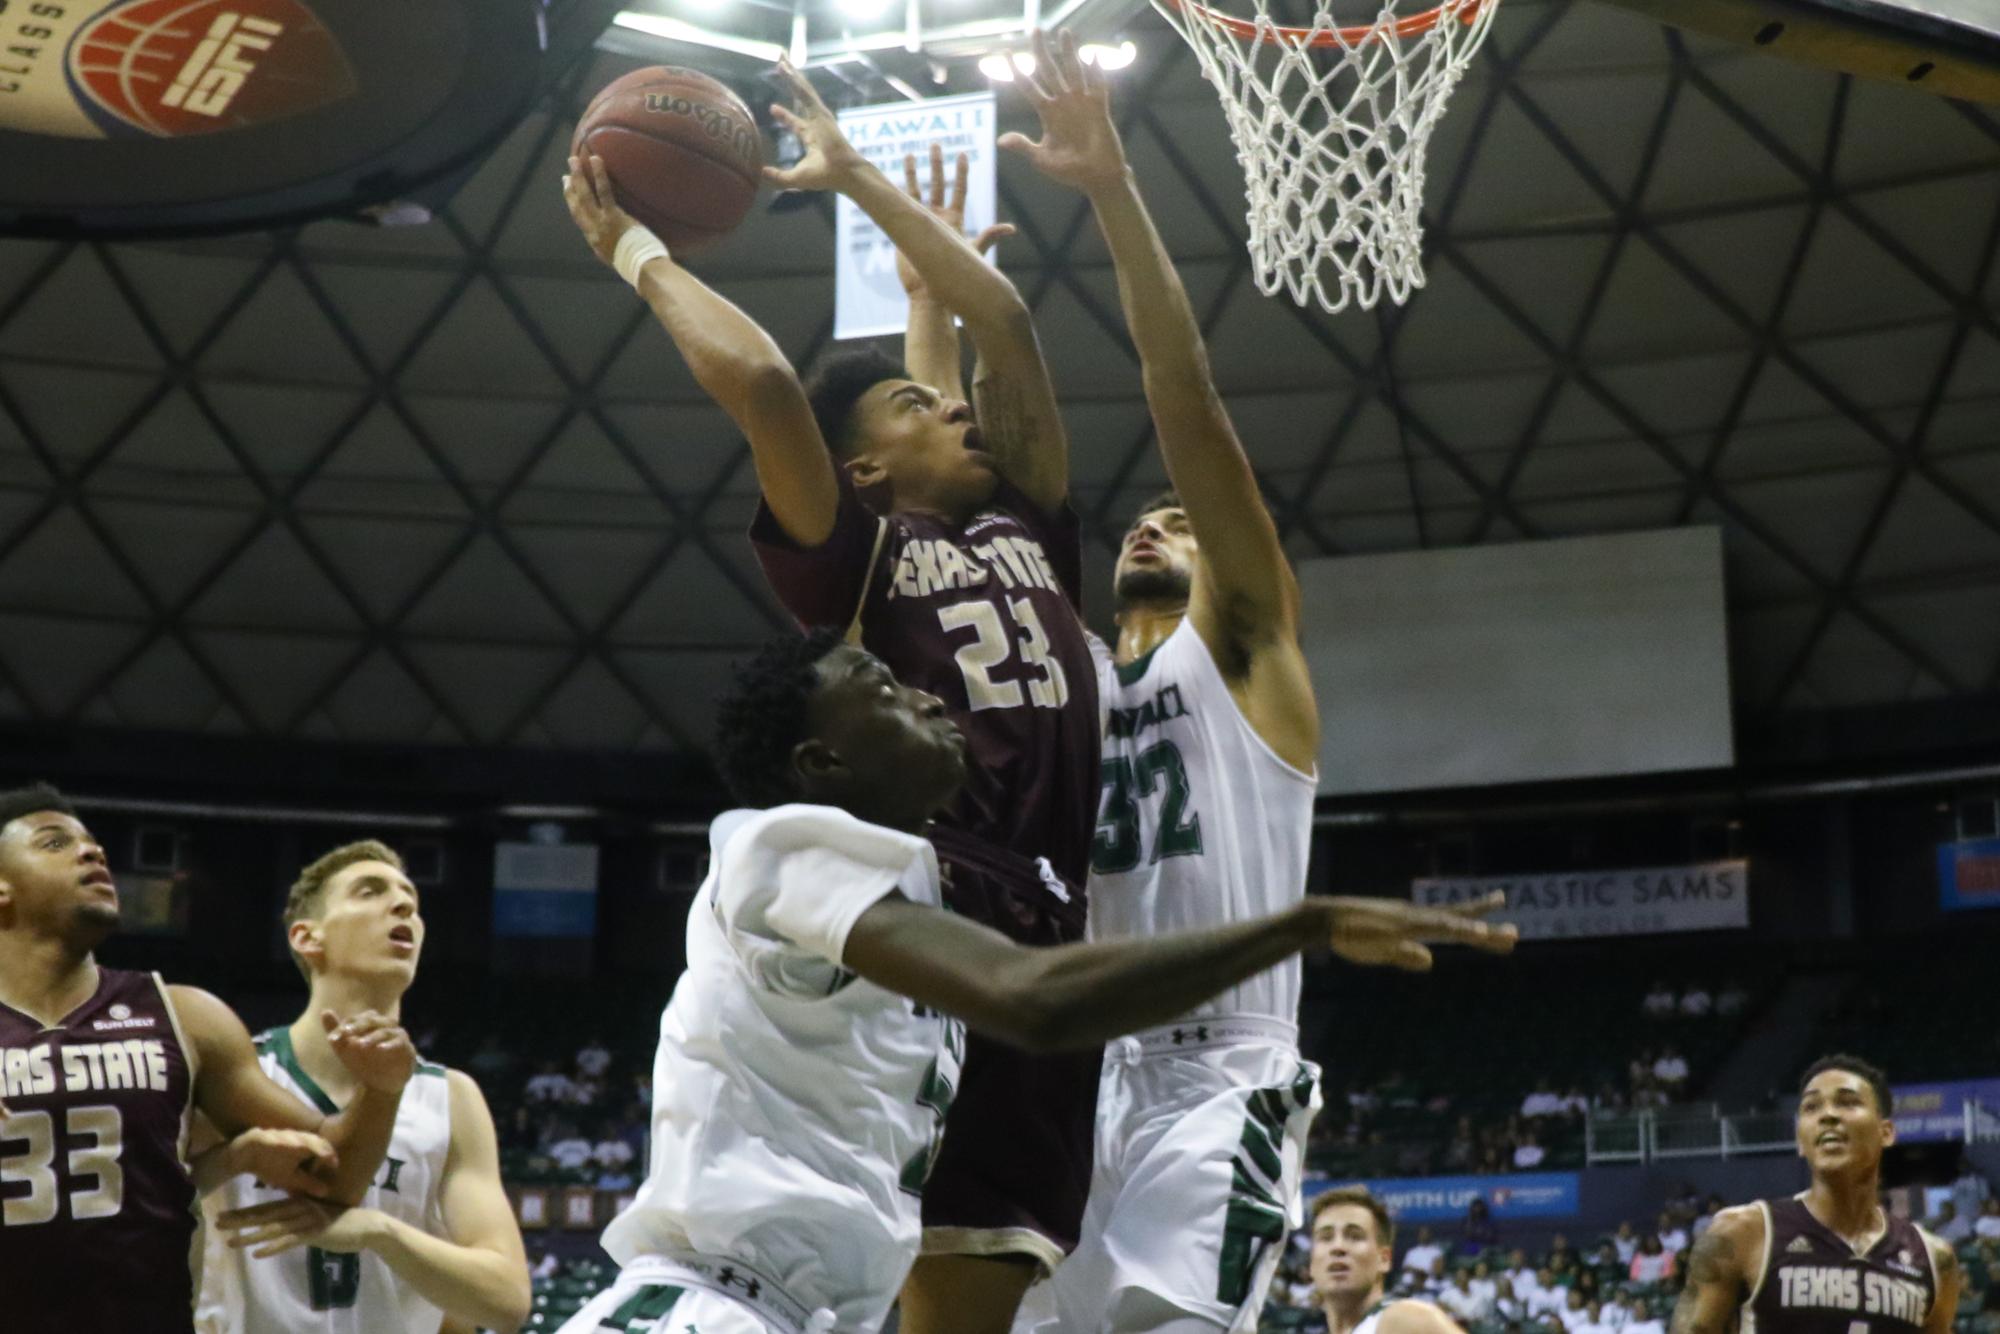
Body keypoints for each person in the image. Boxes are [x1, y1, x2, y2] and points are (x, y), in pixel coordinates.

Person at [565, 57, 1102, 1334]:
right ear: (862, 461)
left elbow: (1009, 330)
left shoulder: (1029, 521)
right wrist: (634, 245)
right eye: (926, 403)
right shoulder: (852, 550)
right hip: (930, 901)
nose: (961, 409)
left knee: (976, 1290)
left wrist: (865, 182)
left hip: (1052, 904)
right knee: (895, 1272)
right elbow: (759, 385)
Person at [553, 630, 1515, 1334]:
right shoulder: (774, 847)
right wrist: (1302, 923)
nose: (927, 698)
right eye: (881, 689)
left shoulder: (906, 902)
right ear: (821, 761)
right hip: (703, 1309)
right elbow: (1035, 998)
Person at [938, 27, 1335, 1334]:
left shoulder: (1249, 658)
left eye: (1184, 518)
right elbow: (958, 530)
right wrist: (929, 308)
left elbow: (1185, 394)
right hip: (1079, 1070)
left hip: (1225, 1075)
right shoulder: (1076, 683)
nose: (1156, 523)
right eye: (1144, 515)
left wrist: (1110, 190)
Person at [0, 784, 415, 1332]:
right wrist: (227, 1162)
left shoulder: (186, 1017)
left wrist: (381, 1091)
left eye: (94, 844)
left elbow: (335, 1175)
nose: (92, 852)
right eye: (54, 843)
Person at [197, 841, 531, 1334]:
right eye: (369, 891)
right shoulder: (234, 1077)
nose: (403, 907)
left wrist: (379, 1231)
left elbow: (506, 1301)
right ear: (307, 937)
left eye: (410, 900)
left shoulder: (452, 1097)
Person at [1669, 1055, 1961, 1334]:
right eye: (1811, 1107)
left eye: (1848, 1102)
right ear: (1800, 1140)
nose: (1828, 1115)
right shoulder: (1742, 1233)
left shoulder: (1935, 1259)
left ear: (1886, 1132)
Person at [1307, 1187, 1468, 1334]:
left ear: (1384, 1259)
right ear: (1311, 1264)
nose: (1338, 1247)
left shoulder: (1403, 1320)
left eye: (1355, 1236)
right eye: (1326, 1237)